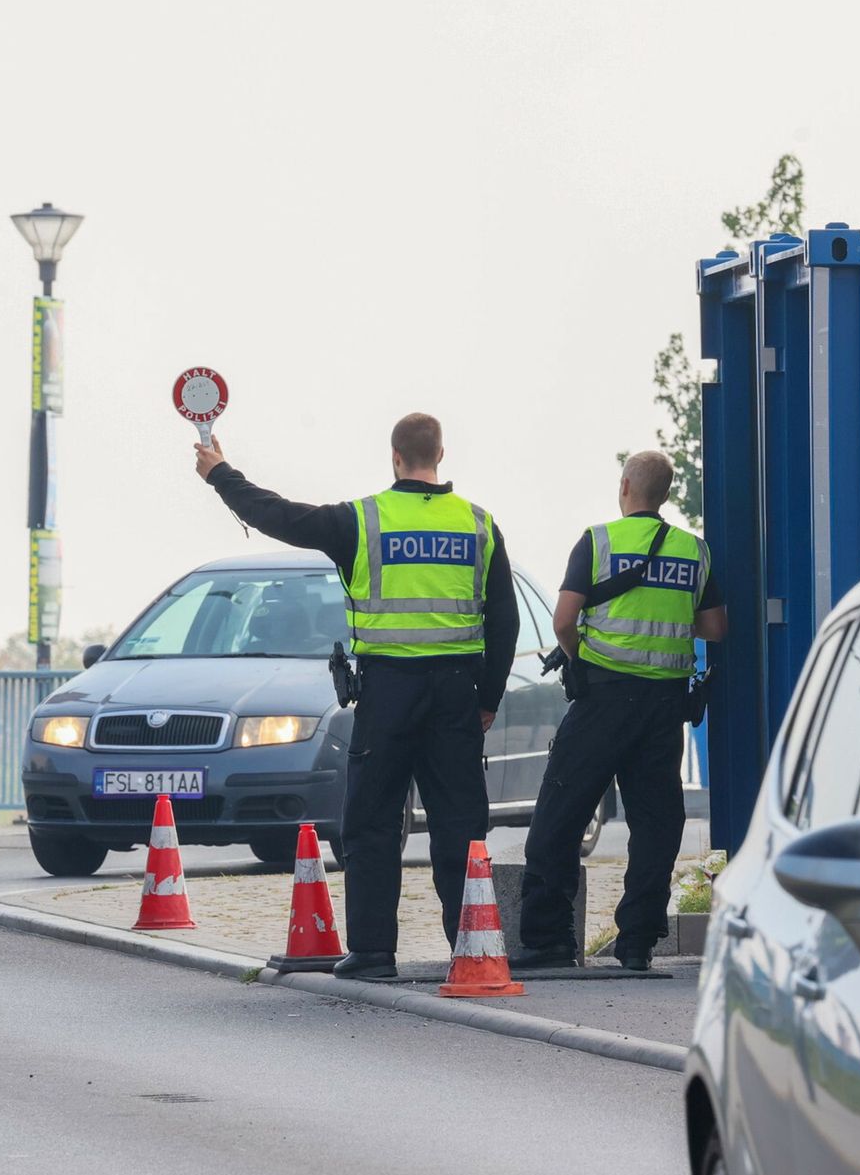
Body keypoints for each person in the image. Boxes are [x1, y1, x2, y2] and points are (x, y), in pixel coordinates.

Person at [195, 413, 515, 979]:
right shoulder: (479, 525)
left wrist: (222, 474)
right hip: (455, 694)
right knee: (461, 826)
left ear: (395, 458)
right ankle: (473, 949)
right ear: (440, 455)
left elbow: (277, 515)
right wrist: (486, 696)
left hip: (388, 694)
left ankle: (371, 953)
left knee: (371, 822)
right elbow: (505, 621)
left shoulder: (362, 521)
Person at [518, 451, 727, 971]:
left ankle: (549, 941)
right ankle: (636, 942)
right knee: (657, 824)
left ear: (626, 485)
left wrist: (579, 660)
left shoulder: (598, 542)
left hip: (602, 700)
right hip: (662, 708)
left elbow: (564, 621)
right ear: (666, 493)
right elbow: (716, 628)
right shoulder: (693, 551)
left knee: (560, 815)